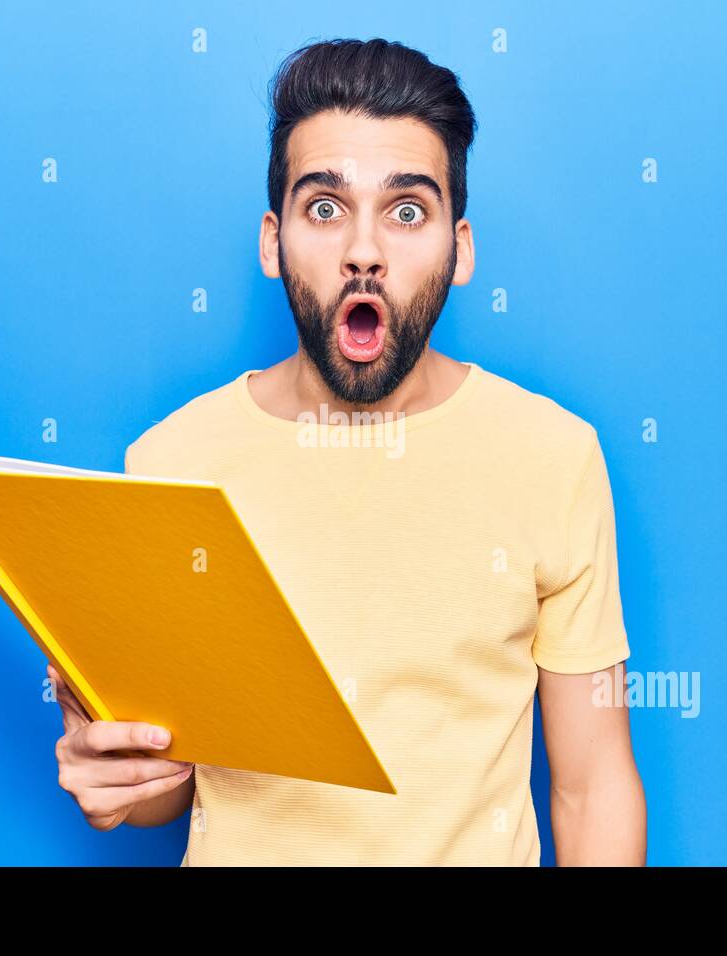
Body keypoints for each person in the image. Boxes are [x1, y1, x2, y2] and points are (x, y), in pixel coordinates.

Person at [50, 37, 646, 866]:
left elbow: (591, 787)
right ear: (273, 241)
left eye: (407, 211)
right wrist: (114, 775)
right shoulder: (171, 460)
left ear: (460, 251)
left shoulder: (554, 455)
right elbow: (166, 791)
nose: (363, 251)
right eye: (324, 207)